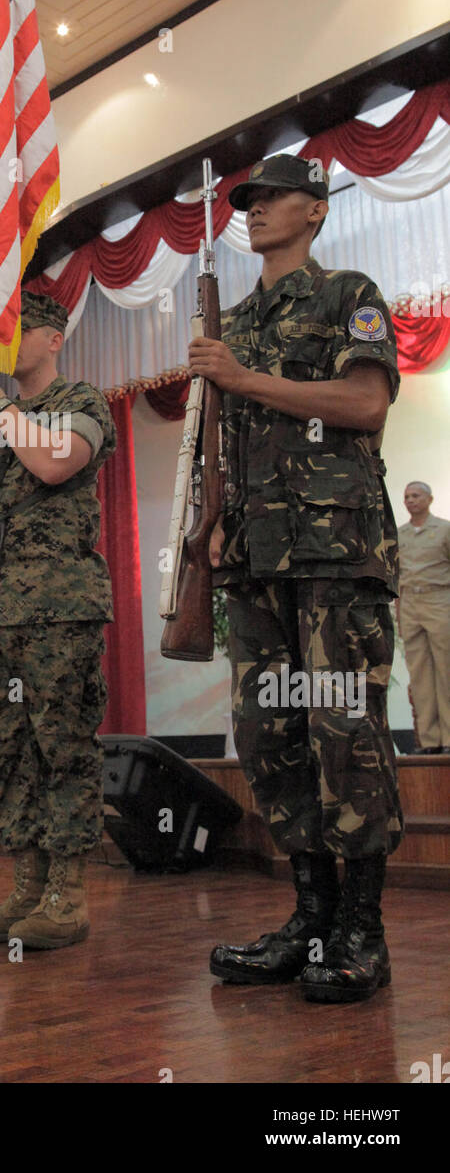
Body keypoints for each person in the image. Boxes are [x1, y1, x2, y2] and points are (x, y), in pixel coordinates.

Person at [193, 153, 403, 1003]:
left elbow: (366, 405)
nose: (254, 210)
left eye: (273, 197)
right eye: (246, 200)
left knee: (344, 733)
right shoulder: (234, 320)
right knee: (271, 737)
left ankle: (362, 927)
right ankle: (309, 915)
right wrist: (212, 527)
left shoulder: (347, 294)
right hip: (253, 558)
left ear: (315, 210)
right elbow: (222, 445)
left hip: (334, 552)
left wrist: (244, 378)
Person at [0, 291, 116, 951]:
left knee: (60, 744)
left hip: (58, 606)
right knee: (6, 747)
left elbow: (54, 461)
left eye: (16, 329)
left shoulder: (82, 401)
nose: (4, 340)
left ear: (51, 339)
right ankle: (27, 883)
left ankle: (67, 892)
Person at [397, 482, 450, 754]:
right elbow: (396, 577)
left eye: (416, 496)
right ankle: (429, 741)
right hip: (410, 604)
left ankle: (449, 739)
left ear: (429, 499)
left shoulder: (444, 529)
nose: (410, 501)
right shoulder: (400, 534)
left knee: (446, 671)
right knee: (419, 675)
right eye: (406, 497)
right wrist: (398, 612)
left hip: (439, 600)